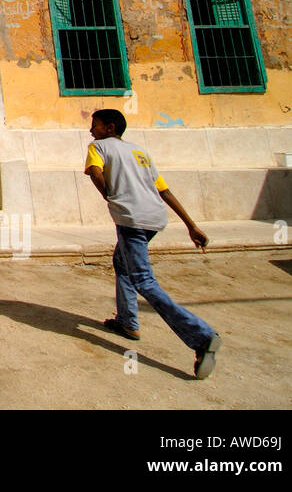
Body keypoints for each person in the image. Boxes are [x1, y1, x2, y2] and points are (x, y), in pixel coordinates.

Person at [83, 108, 222, 379]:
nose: (91, 130)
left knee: (144, 281)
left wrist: (110, 197)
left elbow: (95, 172)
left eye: (95, 125)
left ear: (109, 128)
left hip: (132, 219)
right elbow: (164, 190)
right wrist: (191, 225)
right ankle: (127, 322)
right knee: (121, 263)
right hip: (155, 218)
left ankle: (202, 337)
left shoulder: (97, 146)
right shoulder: (139, 152)